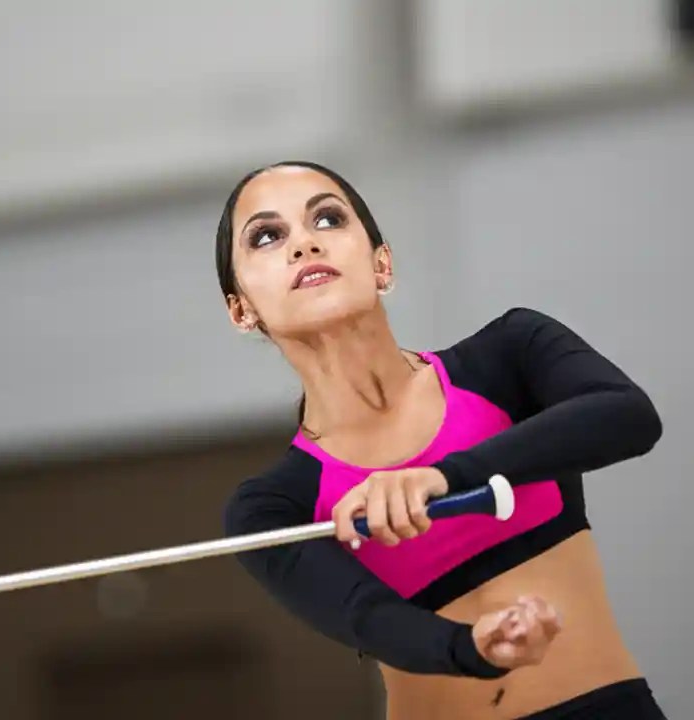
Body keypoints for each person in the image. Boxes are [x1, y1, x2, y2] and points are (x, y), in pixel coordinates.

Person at [218, 161, 667, 719]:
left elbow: (629, 416)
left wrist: (445, 476)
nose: (304, 244)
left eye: (327, 219)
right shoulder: (271, 506)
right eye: (267, 236)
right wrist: (470, 648)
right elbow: (366, 617)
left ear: (382, 264)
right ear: (241, 309)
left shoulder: (510, 354)